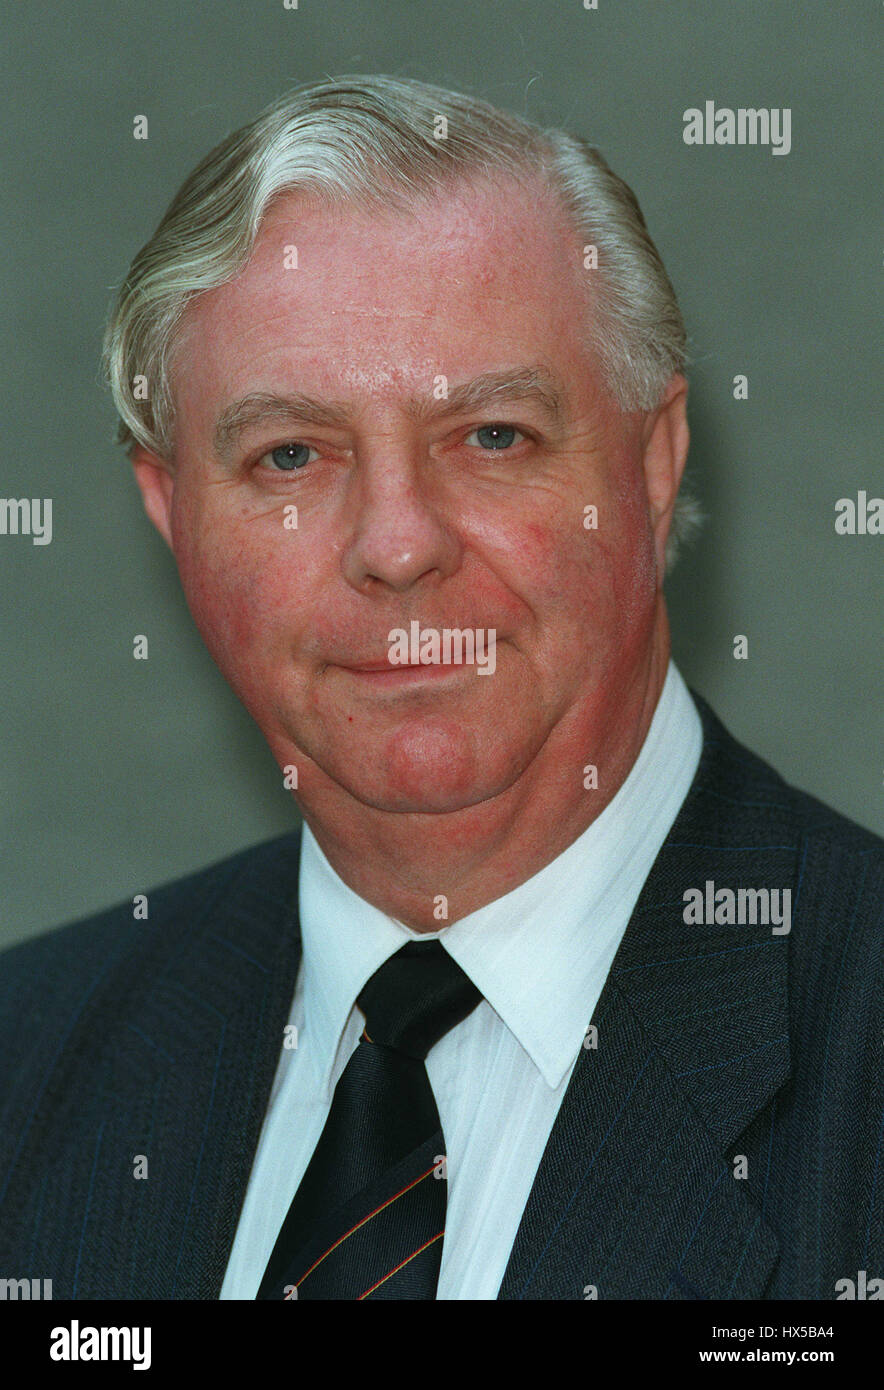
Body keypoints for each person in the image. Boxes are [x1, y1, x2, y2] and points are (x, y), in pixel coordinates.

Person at [0, 75, 879, 1301]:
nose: (397, 542)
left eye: (493, 436)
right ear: (171, 514)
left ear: (651, 460)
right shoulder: (25, 1060)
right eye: (290, 455)